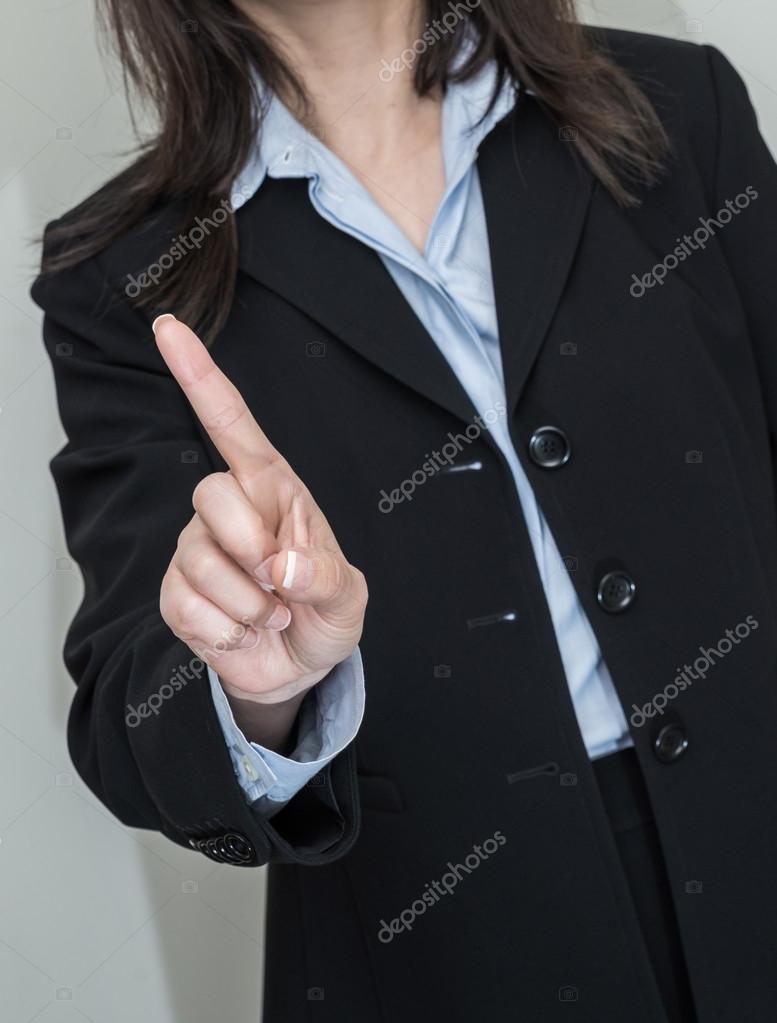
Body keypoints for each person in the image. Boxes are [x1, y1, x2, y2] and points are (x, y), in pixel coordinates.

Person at [30, 1, 777, 1020]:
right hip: (446, 958)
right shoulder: (119, 273)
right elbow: (132, 726)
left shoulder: (682, 112)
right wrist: (257, 692)